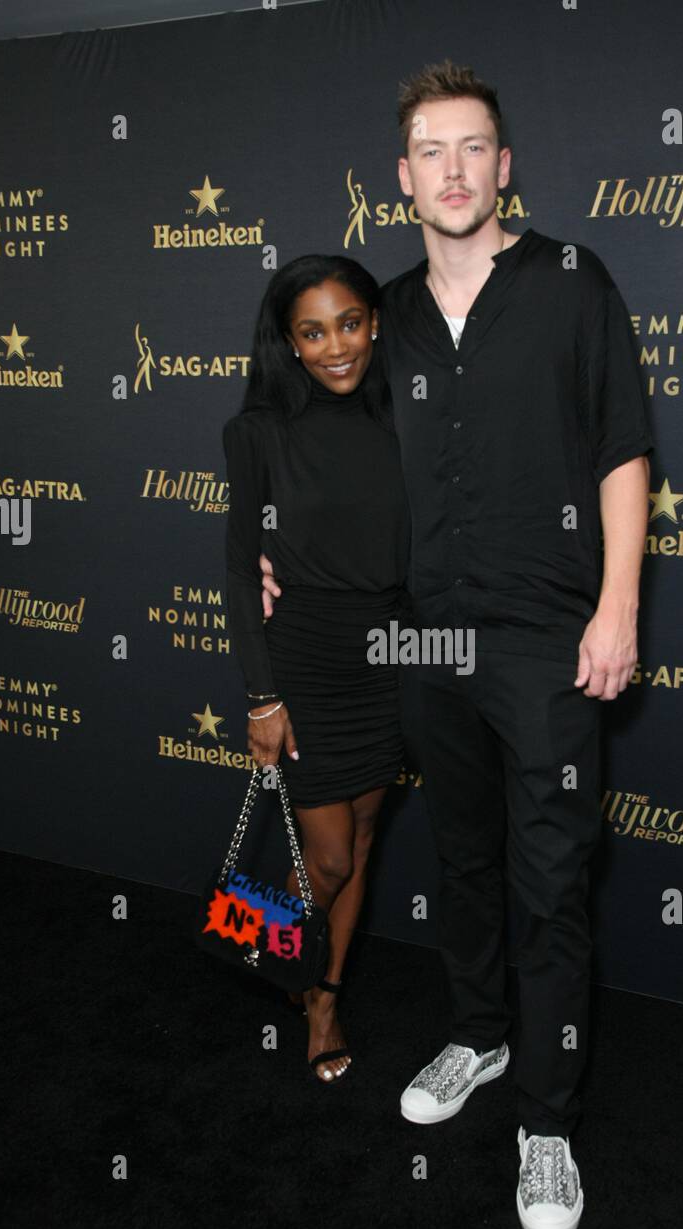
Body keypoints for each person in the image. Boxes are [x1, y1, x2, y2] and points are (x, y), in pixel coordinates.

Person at [259, 60, 654, 1229]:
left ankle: (546, 1122)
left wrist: (617, 605)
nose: (452, 169)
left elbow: (621, 448)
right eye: (430, 150)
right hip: (423, 634)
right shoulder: (382, 314)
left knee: (551, 885)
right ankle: (478, 1037)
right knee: (465, 860)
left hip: (545, 637)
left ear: (502, 163)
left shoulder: (573, 283)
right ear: (402, 175)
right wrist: (273, 553)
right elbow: (322, 457)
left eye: (472, 146)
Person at [223, 255, 410, 1083]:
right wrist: (262, 697)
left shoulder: (404, 415)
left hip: (392, 655)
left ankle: (324, 997)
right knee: (327, 859)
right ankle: (271, 946)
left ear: (375, 323)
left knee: (363, 839)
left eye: (350, 323)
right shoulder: (258, 432)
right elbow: (241, 569)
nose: (336, 346)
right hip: (303, 657)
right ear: (289, 343)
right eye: (313, 331)